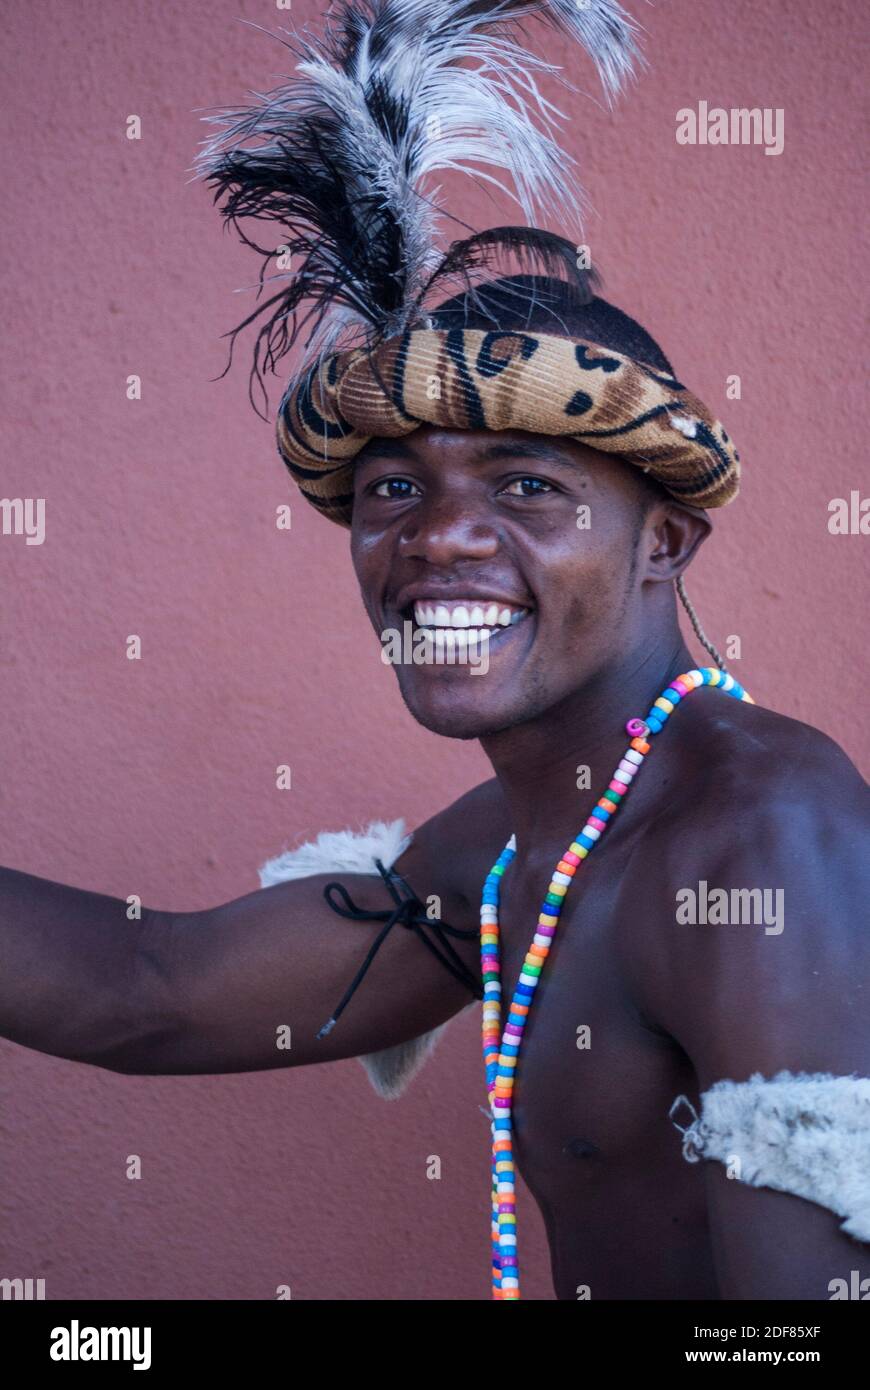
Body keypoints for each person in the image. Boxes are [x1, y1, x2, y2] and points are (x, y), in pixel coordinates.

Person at [2, 0, 868, 1301]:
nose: (437, 539)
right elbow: (149, 989)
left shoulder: (756, 845)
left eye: (524, 486)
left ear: (663, 544)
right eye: (392, 490)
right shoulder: (511, 849)